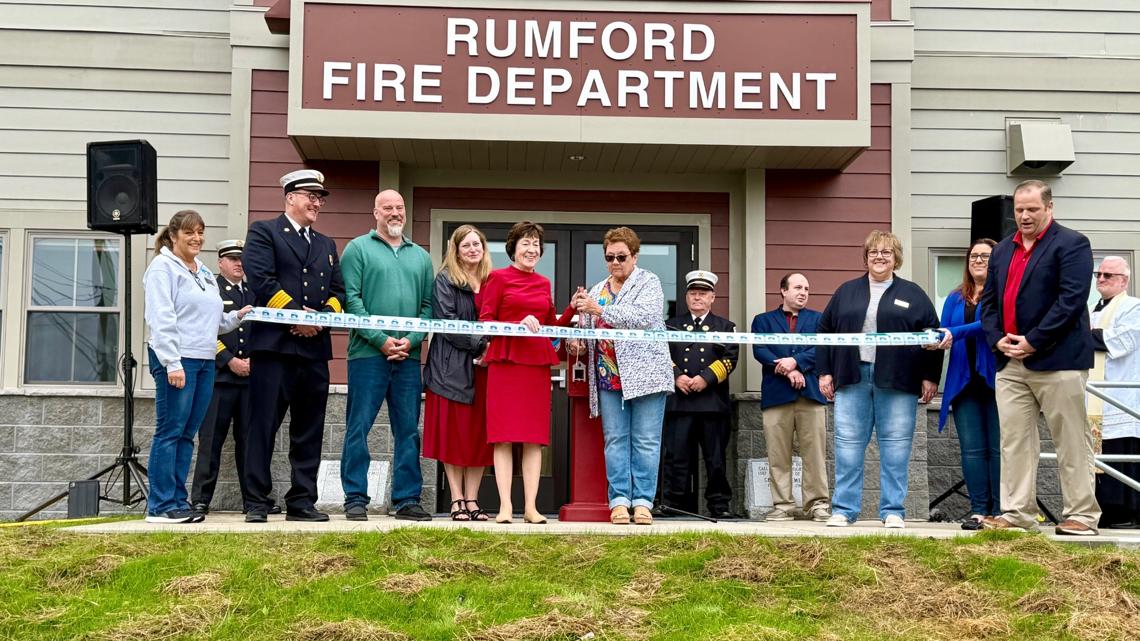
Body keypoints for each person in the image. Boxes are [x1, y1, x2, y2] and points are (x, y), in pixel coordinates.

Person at [979, 179, 1100, 536]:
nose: (1025, 216)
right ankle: (1017, 514)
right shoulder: (1002, 250)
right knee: (1014, 440)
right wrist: (998, 340)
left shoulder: (1073, 244)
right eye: (1019, 209)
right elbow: (988, 303)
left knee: (1072, 439)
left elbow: (1071, 300)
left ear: (1049, 208)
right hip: (1010, 362)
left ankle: (1082, 515)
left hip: (1059, 361)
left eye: (1032, 209)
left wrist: (1032, 340)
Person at [817, 230, 942, 529]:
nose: (879, 256)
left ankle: (893, 511)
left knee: (896, 447)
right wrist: (825, 371)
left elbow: (933, 336)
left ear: (896, 258)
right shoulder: (846, 291)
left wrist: (929, 376)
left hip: (899, 380)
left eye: (886, 252)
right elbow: (824, 331)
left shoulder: (914, 294)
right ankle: (844, 510)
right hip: (852, 376)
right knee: (847, 446)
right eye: (874, 251)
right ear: (866, 256)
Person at [242, 169, 345, 523]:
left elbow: (338, 293)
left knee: (309, 430)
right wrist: (294, 316)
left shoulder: (326, 245)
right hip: (274, 348)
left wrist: (320, 319)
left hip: (314, 350)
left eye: (320, 198)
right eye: (310, 196)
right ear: (290, 197)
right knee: (262, 425)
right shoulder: (264, 232)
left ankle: (301, 501)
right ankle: (256, 501)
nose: (316, 202)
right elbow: (261, 279)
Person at [143, 211, 251, 524]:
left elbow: (214, 321)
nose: (197, 239)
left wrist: (238, 317)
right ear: (174, 235)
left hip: (204, 360)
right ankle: (161, 505)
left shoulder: (201, 271)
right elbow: (161, 318)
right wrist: (172, 363)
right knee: (170, 431)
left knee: (188, 433)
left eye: (201, 232)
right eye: (190, 232)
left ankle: (178, 500)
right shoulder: (163, 268)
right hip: (177, 360)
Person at [339, 189, 435, 522]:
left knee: (408, 429)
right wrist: (381, 340)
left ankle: (407, 499)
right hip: (367, 356)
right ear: (375, 212)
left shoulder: (421, 257)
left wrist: (410, 341)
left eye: (400, 208)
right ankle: (354, 497)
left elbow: (427, 308)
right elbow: (352, 302)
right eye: (388, 208)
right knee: (358, 427)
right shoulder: (357, 249)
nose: (395, 213)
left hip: (408, 360)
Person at [572, 226, 675, 526]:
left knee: (645, 440)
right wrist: (576, 339)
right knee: (615, 440)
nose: (615, 262)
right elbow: (584, 327)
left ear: (635, 256)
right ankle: (618, 501)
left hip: (647, 375)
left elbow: (645, 316)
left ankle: (643, 502)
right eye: (610, 257)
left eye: (621, 256)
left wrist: (599, 310)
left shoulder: (650, 282)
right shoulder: (597, 289)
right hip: (608, 375)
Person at [479, 221, 575, 525]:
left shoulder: (544, 284)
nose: (532, 249)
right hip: (506, 364)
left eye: (536, 245)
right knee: (504, 438)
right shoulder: (497, 278)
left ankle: (531, 507)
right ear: (513, 248)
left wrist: (571, 309)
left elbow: (550, 329)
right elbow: (486, 322)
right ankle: (505, 506)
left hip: (534, 366)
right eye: (526, 244)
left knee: (534, 439)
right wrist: (516, 325)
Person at [423, 225, 494, 521]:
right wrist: (481, 345)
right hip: (450, 369)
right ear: (456, 250)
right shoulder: (445, 280)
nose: (472, 249)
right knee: (453, 437)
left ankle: (474, 500)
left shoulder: (492, 281)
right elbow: (448, 324)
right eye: (466, 245)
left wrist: (492, 350)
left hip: (485, 369)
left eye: (477, 243)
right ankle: (456, 499)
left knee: (479, 436)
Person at [930, 239, 1000, 531]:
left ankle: (1002, 510)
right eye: (974, 256)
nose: (978, 260)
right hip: (963, 382)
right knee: (971, 450)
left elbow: (987, 325)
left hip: (997, 380)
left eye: (985, 256)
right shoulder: (954, 298)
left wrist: (951, 332)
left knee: (999, 449)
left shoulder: (1003, 294)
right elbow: (944, 337)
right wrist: (931, 340)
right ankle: (979, 510)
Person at [751, 272, 831, 522]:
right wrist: (786, 369)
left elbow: (822, 349)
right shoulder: (763, 321)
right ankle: (783, 506)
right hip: (777, 395)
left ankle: (817, 504)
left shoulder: (819, 320)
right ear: (783, 291)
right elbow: (760, 349)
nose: (803, 292)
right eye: (797, 287)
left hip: (810, 395)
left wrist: (796, 362)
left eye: (806, 288)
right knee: (778, 454)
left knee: (815, 454)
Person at [659, 270, 739, 519]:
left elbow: (730, 358)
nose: (697, 298)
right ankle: (671, 503)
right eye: (693, 293)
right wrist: (677, 376)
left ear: (712, 297)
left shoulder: (725, 326)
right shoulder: (670, 325)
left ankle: (719, 505)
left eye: (703, 293)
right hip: (679, 402)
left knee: (715, 459)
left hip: (711, 404)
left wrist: (705, 378)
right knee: (676, 457)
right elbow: (661, 354)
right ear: (686, 297)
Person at [189, 239, 257, 516]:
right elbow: (205, 330)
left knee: (250, 442)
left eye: (242, 259)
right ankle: (201, 499)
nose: (239, 264)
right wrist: (229, 361)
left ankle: (254, 499)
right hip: (218, 379)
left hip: (250, 380)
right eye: (232, 259)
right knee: (211, 441)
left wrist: (254, 361)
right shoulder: (210, 289)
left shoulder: (254, 292)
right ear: (221, 262)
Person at [1089, 256, 1140, 529]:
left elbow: (1123, 340)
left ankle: (1128, 512)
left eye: (1108, 275)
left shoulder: (1133, 307)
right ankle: (1107, 510)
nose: (1101, 279)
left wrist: (1087, 335)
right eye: (1098, 274)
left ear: (1124, 280)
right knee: (1101, 453)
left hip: (1121, 395)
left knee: (1122, 452)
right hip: (1097, 396)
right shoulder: (1095, 309)